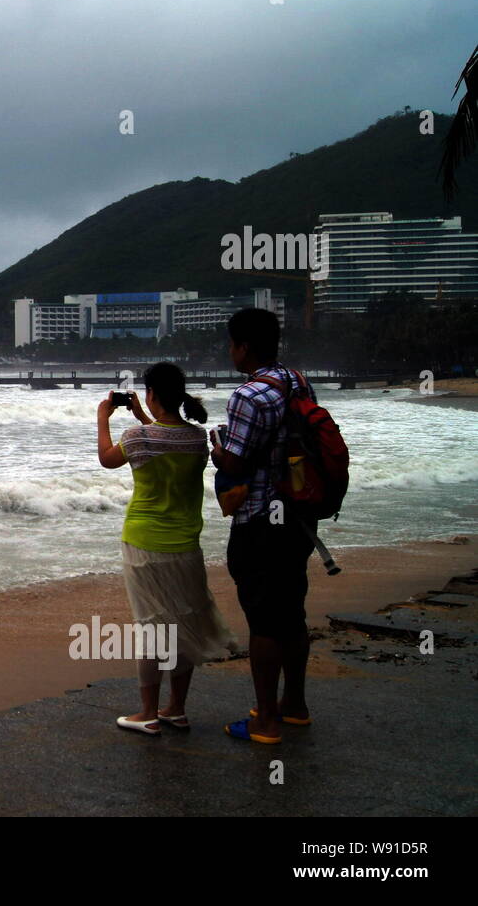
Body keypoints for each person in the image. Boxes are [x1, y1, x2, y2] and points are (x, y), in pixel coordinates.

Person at [97, 362, 236, 735]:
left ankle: (147, 712)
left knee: (152, 627)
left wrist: (102, 417)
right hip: (186, 545)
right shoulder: (196, 439)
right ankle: (175, 708)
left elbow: (107, 458)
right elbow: (161, 436)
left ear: (152, 394)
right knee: (182, 623)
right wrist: (143, 414)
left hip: (144, 544)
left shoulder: (138, 437)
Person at [211, 307, 316, 745]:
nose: (230, 351)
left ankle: (265, 722)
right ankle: (293, 705)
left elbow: (237, 459)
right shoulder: (297, 380)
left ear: (244, 346)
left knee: (263, 621)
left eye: (232, 344)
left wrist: (217, 451)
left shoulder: (249, 395)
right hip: (298, 517)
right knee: (291, 611)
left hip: (259, 520)